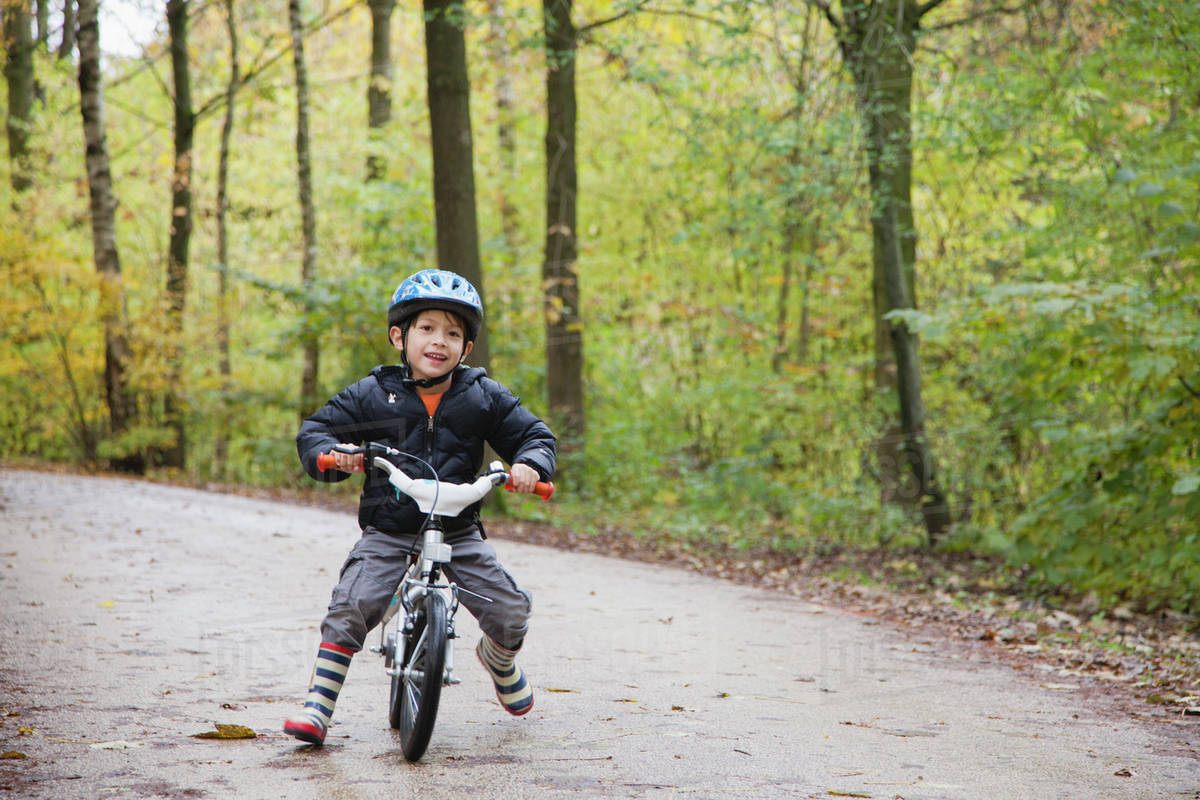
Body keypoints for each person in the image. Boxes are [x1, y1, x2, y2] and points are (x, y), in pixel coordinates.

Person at [283, 268, 556, 746]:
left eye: (453, 334)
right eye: (426, 328)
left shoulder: (481, 396)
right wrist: (335, 456)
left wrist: (530, 465)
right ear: (399, 336)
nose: (439, 341)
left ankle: (498, 658)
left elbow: (534, 435)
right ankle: (318, 708)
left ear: (467, 350)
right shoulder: (374, 394)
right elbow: (316, 432)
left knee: (509, 609)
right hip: (390, 526)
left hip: (457, 529)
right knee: (354, 603)